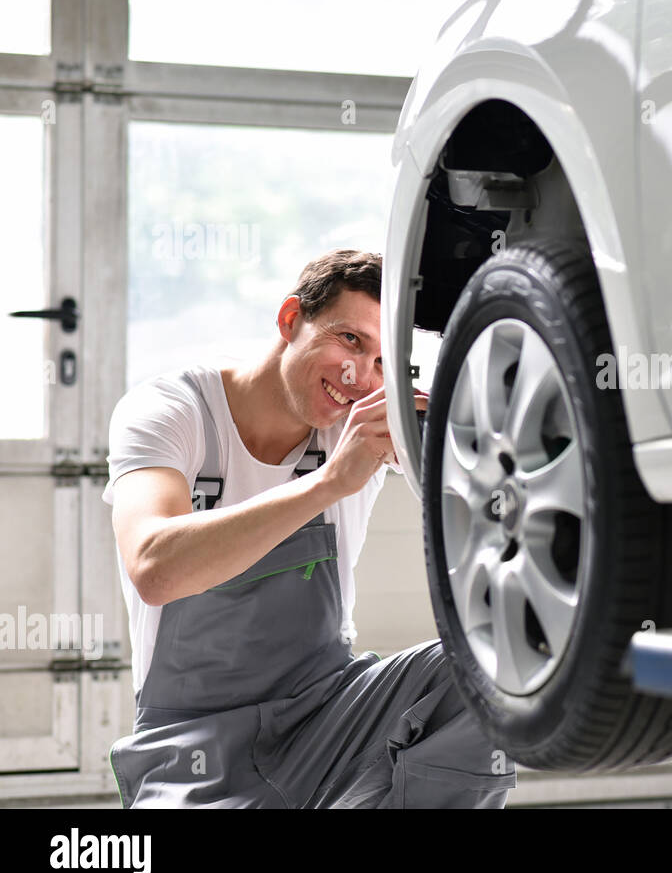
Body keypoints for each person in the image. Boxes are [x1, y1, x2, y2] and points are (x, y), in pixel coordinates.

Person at [103, 249, 516, 808]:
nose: (358, 375)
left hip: (330, 716)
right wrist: (328, 484)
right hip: (193, 746)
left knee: (483, 672)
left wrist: (462, 435)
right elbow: (154, 568)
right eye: (350, 340)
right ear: (291, 318)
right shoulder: (173, 411)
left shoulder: (365, 418)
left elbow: (499, 484)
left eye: (381, 362)